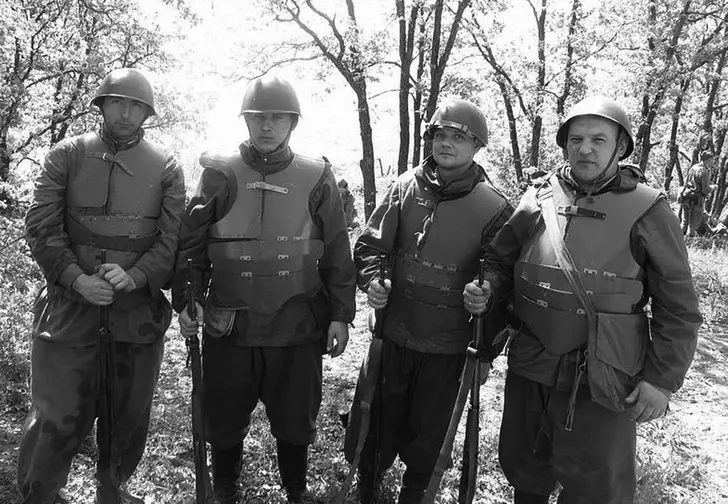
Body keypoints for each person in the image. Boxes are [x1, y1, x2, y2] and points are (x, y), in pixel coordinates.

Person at [464, 96, 702, 504]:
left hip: (603, 375)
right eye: (576, 139)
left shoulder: (650, 209)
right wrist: (485, 288)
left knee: (594, 487)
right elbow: (500, 261)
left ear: (620, 147)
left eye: (598, 139)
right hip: (533, 362)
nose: (585, 149)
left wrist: (661, 380)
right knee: (527, 473)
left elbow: (678, 307)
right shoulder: (538, 197)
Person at [173, 74, 356, 504]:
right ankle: (224, 487)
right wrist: (187, 299)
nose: (267, 126)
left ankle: (296, 489)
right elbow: (192, 244)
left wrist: (340, 314)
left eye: (277, 118)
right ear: (246, 121)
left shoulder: (317, 176)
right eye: (258, 117)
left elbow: (336, 249)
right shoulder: (218, 173)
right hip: (229, 318)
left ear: (293, 122)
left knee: (295, 413)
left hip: (298, 318)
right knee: (224, 410)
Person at [18, 68, 186, 504]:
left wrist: (135, 276)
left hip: (136, 314)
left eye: (136, 106)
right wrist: (77, 279)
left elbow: (172, 241)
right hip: (68, 311)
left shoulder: (167, 166)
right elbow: (40, 225)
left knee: (127, 415)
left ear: (147, 112)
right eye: (117, 102)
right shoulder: (66, 154)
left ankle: (112, 490)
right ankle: (40, 493)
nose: (126, 113)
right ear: (102, 104)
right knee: (55, 413)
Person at [352, 98, 512, 503]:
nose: (446, 143)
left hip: (448, 347)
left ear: (476, 146)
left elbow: (502, 270)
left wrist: (487, 290)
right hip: (393, 335)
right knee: (375, 424)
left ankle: (414, 493)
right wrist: (373, 281)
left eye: (458, 137)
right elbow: (370, 247)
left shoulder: (495, 207)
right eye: (440, 134)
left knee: (429, 434)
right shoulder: (404, 187)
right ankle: (367, 485)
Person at [682, 150, 715, 236]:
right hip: (697, 200)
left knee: (684, 223)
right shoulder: (704, 171)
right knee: (693, 225)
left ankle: (678, 241)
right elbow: (705, 190)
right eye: (712, 160)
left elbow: (686, 182)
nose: (712, 162)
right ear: (708, 160)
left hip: (686, 197)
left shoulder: (693, 167)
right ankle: (689, 245)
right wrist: (713, 187)